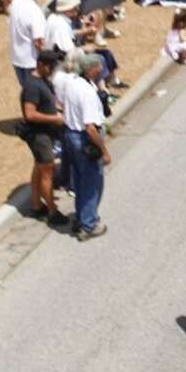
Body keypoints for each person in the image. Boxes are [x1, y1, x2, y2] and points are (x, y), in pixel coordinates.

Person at [60, 51, 110, 240]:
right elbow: (90, 128)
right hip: (83, 139)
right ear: (90, 69)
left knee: (80, 181)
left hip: (70, 135)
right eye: (99, 66)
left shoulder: (73, 83)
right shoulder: (87, 92)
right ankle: (88, 225)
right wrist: (104, 151)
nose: (101, 69)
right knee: (92, 183)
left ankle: (81, 218)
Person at [20, 47, 68, 224]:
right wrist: (55, 118)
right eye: (50, 66)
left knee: (40, 168)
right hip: (39, 136)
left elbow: (48, 104)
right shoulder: (32, 86)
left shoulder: (43, 80)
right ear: (40, 64)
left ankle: (36, 205)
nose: (53, 69)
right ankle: (52, 212)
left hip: (46, 133)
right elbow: (30, 114)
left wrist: (61, 110)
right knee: (48, 170)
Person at [8, 0, 46, 96]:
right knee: (38, 96)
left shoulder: (15, 3)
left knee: (27, 94)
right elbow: (38, 41)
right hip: (32, 61)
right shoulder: (35, 10)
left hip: (17, 59)